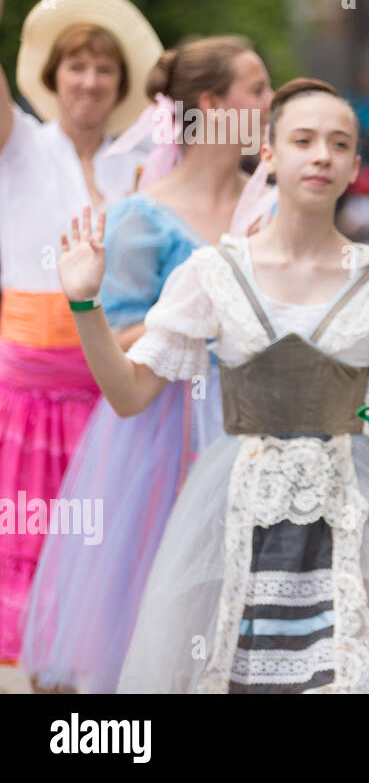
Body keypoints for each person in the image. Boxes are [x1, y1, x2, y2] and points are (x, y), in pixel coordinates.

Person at [56, 79, 369, 693]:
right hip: (234, 509)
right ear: (270, 153)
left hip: (352, 514)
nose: (321, 156)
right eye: (303, 140)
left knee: (348, 670)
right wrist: (85, 303)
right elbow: (128, 394)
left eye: (340, 144)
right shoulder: (214, 272)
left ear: (356, 166)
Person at [20, 36, 272, 692]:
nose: (271, 104)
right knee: (168, 603)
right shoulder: (141, 215)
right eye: (259, 89)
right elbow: (126, 338)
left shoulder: (270, 207)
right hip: (170, 435)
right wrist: (202, 322)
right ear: (214, 105)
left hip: (264, 425)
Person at [0, 0, 162, 667]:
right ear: (53, 76)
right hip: (27, 398)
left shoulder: (147, 161)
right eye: (76, 67)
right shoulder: (20, 146)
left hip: (121, 396)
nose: (91, 81)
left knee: (113, 598)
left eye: (104, 68)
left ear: (122, 82)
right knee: (39, 616)